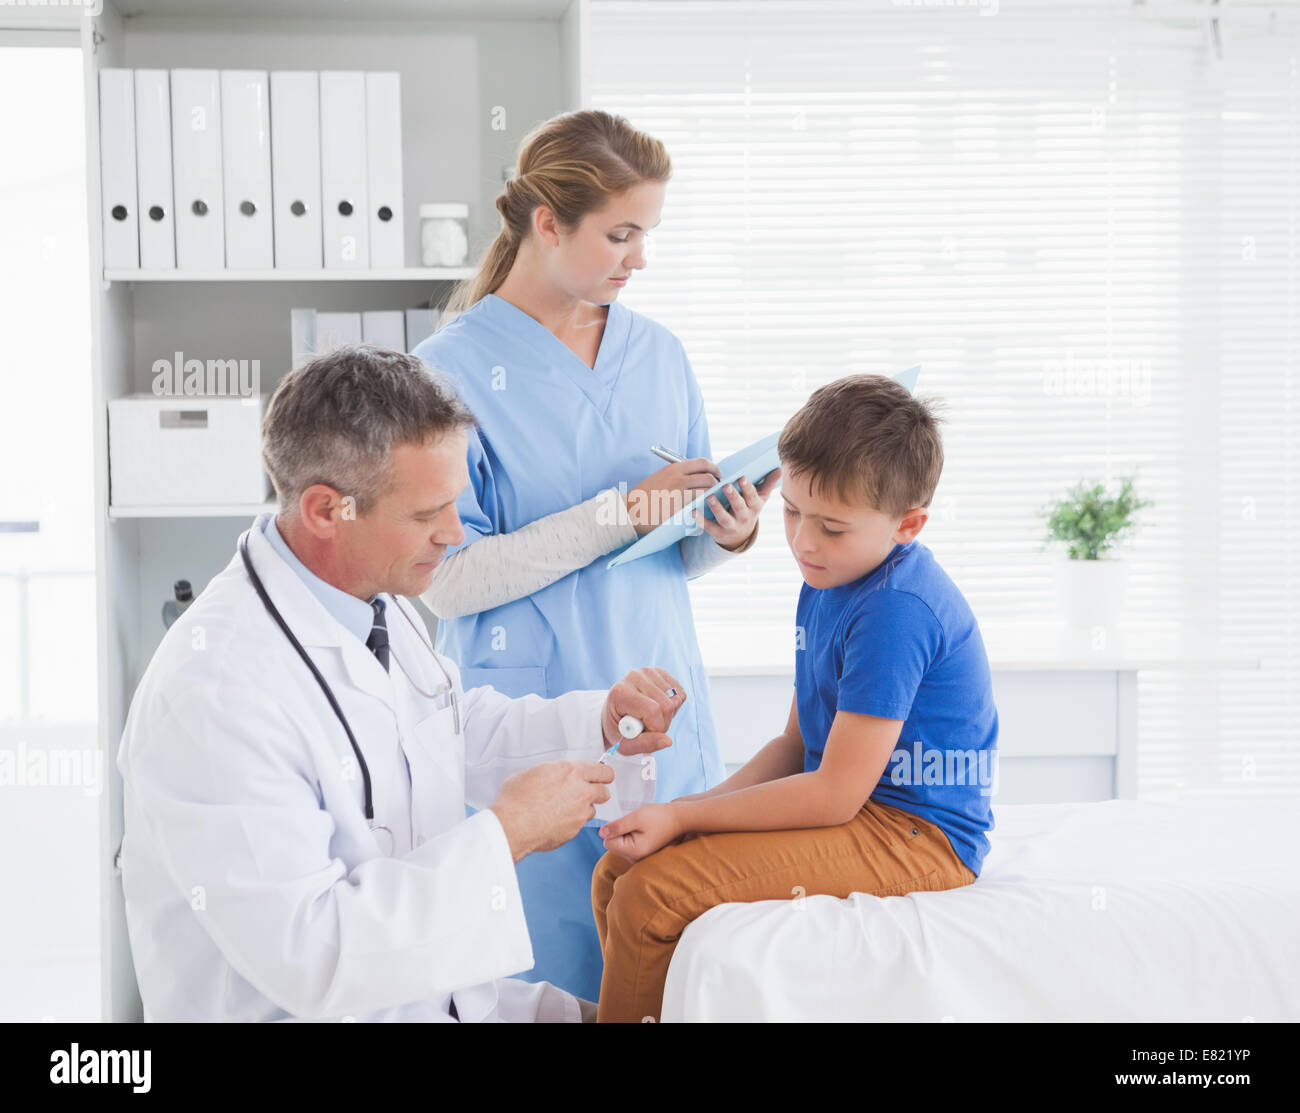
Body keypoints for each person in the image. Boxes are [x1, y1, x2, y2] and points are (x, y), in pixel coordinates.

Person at [115, 345, 688, 1022]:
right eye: (425, 514)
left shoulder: (370, 596)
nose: (453, 532)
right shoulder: (215, 693)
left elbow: (442, 732)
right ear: (328, 510)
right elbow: (315, 954)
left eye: (454, 504)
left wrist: (595, 724)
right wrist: (507, 834)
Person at [411, 109, 780, 1003]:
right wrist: (621, 512)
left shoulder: (660, 355)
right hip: (529, 728)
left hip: (660, 704)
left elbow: (665, 552)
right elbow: (450, 582)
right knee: (548, 979)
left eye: (646, 233)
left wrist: (726, 533)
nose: (638, 257)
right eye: (621, 233)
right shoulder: (445, 375)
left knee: (673, 974)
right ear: (548, 223)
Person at [591, 374, 1000, 1022]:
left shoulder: (894, 608)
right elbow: (793, 746)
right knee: (617, 872)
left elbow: (834, 793)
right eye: (792, 511)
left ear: (909, 525)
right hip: (862, 808)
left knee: (652, 893)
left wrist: (686, 820)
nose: (803, 541)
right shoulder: (830, 575)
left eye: (831, 526)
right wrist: (679, 809)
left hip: (918, 835)